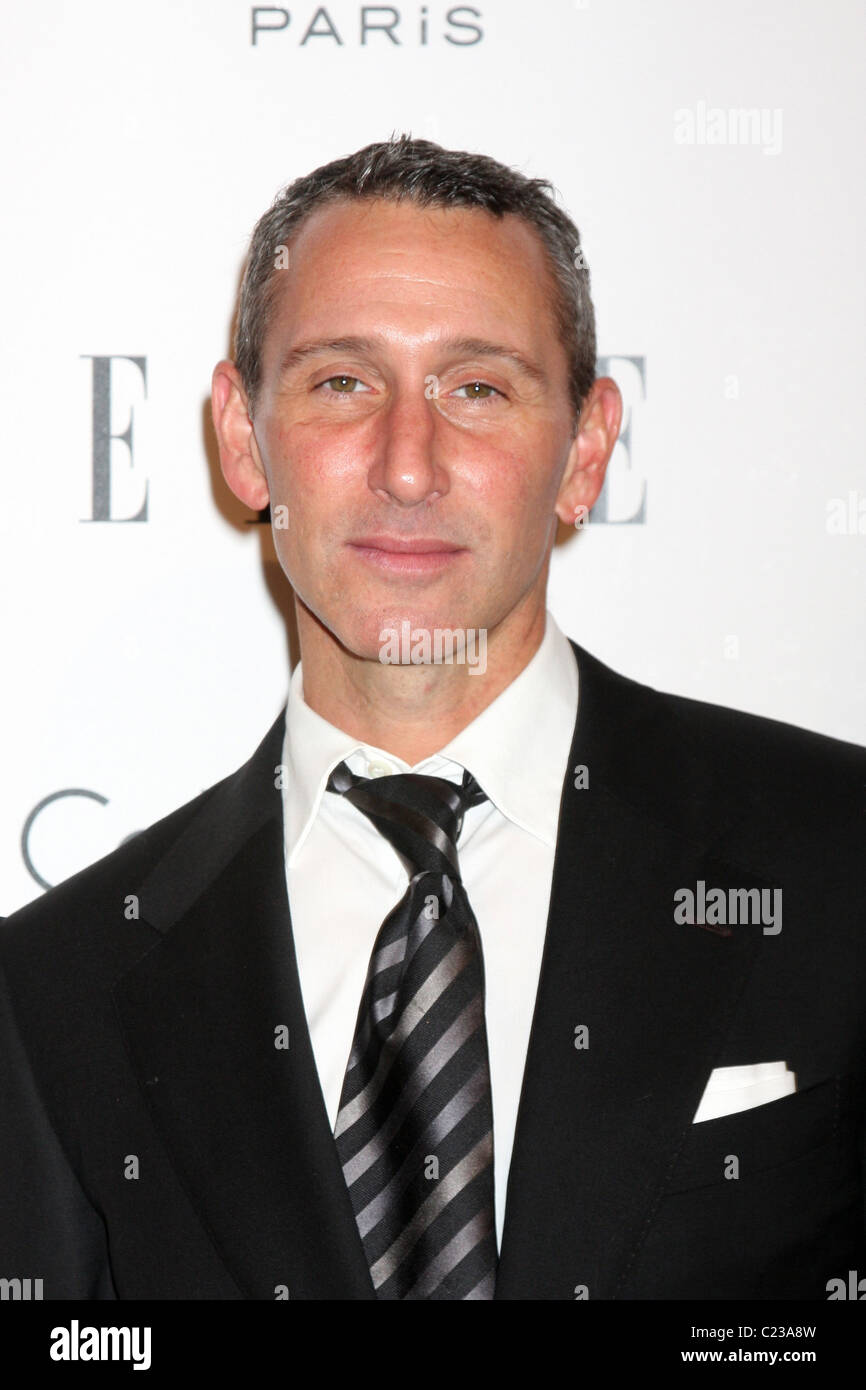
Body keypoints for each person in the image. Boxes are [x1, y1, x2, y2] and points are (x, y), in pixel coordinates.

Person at [1, 135, 863, 1301]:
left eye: (478, 387)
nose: (408, 466)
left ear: (586, 450)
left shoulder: (835, 855)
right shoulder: (60, 987)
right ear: (243, 441)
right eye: (342, 381)